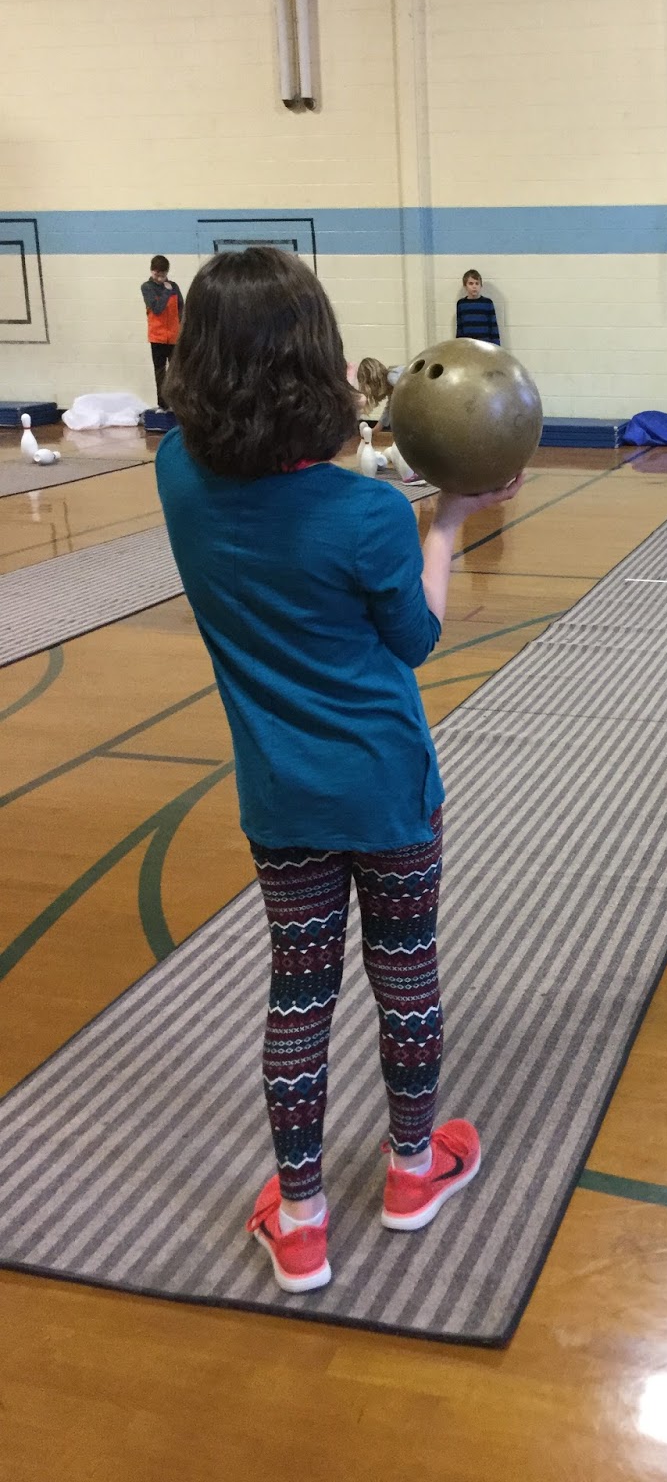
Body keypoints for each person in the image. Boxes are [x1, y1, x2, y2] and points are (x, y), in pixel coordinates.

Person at [156, 246, 522, 1294]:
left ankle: (303, 1220)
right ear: (314, 360)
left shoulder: (175, 475)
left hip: (281, 799)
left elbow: (269, 491)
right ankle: (414, 1171)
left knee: (298, 998)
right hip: (390, 790)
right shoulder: (367, 517)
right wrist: (447, 517)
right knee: (405, 976)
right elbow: (413, 639)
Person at [141, 255, 184, 407]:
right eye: (156, 274)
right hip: (157, 338)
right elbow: (157, 309)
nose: (159, 278)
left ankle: (177, 403)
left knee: (177, 372)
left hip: (174, 337)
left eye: (163, 275)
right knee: (160, 373)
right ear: (152, 271)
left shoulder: (174, 287)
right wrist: (166, 292)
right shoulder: (147, 287)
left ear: (167, 273)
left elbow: (181, 308)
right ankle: (163, 404)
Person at [455, 268, 501, 345]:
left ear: (481, 285)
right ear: (465, 286)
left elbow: (493, 328)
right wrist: (459, 346)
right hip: (468, 346)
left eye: (477, 283)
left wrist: (496, 347)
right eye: (471, 283)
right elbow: (460, 328)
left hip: (485, 345)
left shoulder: (487, 303)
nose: (474, 286)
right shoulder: (461, 304)